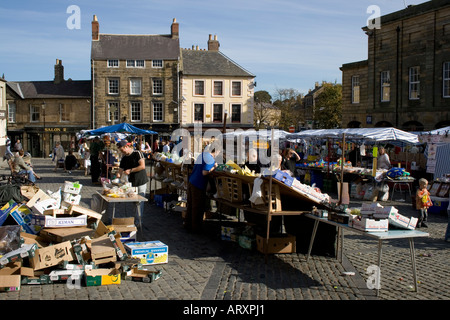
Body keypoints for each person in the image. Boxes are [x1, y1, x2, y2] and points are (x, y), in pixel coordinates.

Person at [185, 147, 217, 233]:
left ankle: (187, 224)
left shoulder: (202, 155)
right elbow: (205, 172)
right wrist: (214, 167)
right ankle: (196, 228)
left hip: (192, 181)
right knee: (197, 207)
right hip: (198, 184)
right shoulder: (210, 159)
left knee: (191, 205)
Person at [116, 140, 149, 217]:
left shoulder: (137, 153)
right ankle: (135, 220)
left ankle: (137, 222)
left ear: (126, 147)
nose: (122, 152)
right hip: (131, 183)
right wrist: (117, 177)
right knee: (134, 202)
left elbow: (142, 166)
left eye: (122, 150)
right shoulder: (124, 158)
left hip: (140, 181)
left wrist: (130, 170)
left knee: (139, 202)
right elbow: (120, 171)